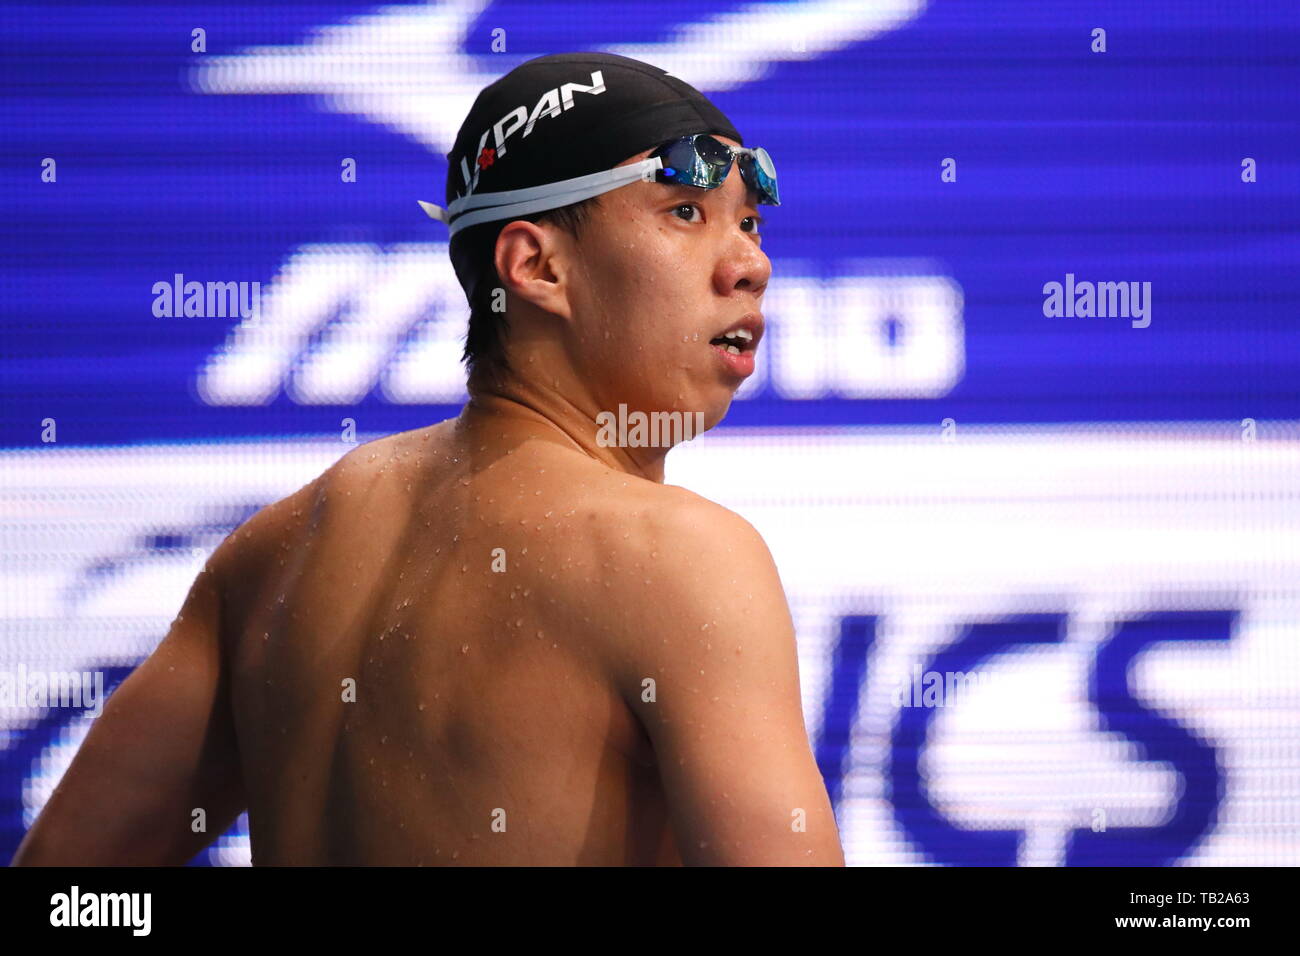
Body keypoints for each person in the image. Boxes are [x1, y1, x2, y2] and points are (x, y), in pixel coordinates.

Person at [13, 52, 844, 866]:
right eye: (685, 213)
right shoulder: (679, 558)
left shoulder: (276, 552)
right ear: (536, 266)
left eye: (750, 221)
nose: (751, 266)